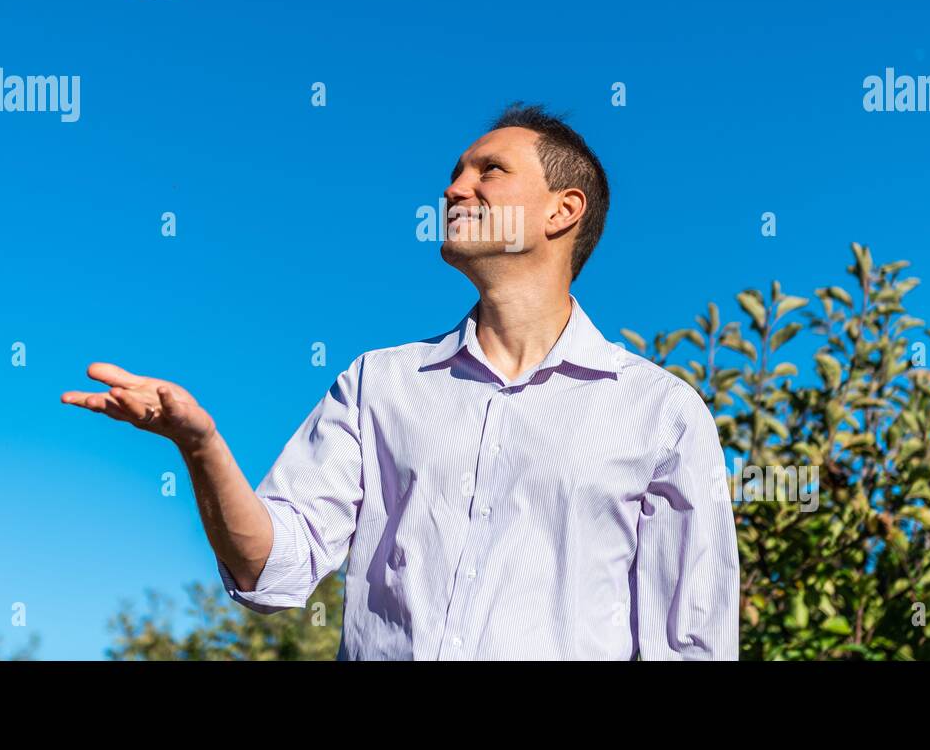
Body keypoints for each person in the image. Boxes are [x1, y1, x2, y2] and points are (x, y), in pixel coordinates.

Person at [61, 102, 739, 659]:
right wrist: (200, 445)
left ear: (562, 210)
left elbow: (692, 641)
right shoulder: (378, 384)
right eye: (455, 171)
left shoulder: (660, 413)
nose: (453, 188)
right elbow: (274, 572)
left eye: (489, 171)